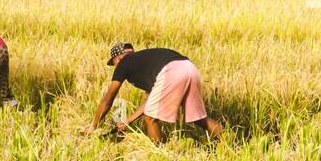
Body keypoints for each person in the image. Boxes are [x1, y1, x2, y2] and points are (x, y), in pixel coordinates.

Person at [87, 42, 222, 144]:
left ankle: (158, 155)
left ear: (119, 58)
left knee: (150, 118)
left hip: (171, 71)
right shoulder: (145, 62)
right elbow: (148, 102)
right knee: (198, 117)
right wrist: (128, 121)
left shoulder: (124, 63)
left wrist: (93, 126)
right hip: (189, 67)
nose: (115, 66)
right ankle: (227, 139)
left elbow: (108, 99)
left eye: (114, 62)